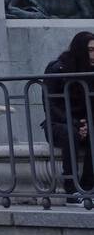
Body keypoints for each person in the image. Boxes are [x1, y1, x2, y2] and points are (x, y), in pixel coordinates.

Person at [42, 32, 94, 202]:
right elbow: (50, 106)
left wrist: (87, 124)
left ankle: (87, 188)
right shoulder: (57, 68)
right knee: (69, 132)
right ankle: (71, 190)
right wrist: (75, 123)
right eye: (91, 50)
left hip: (84, 125)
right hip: (58, 124)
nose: (93, 55)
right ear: (80, 50)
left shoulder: (91, 71)